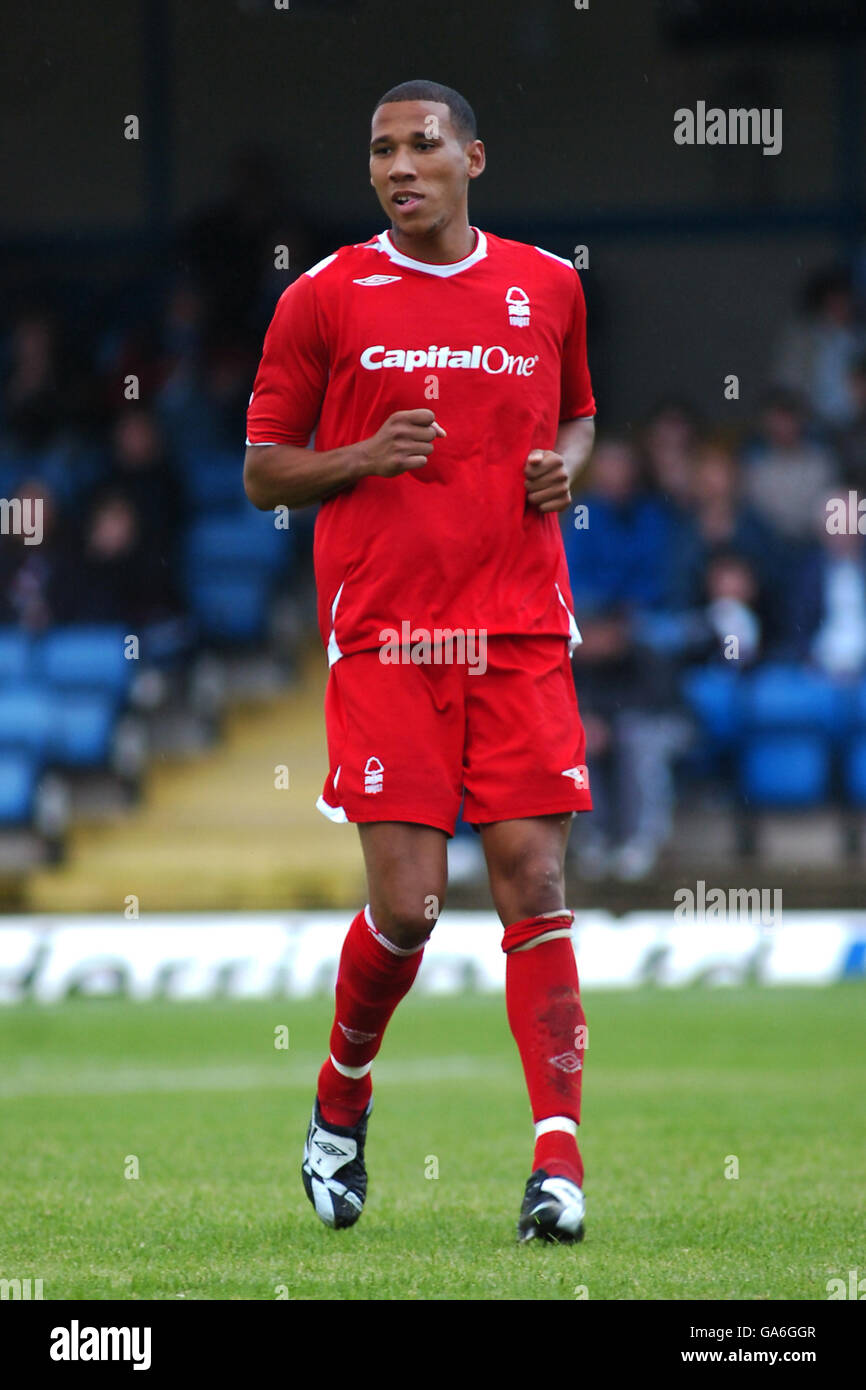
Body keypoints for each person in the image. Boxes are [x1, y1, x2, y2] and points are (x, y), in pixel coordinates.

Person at [244, 81, 596, 1244]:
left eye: (421, 145)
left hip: (518, 628)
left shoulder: (546, 285)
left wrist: (568, 467)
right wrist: (359, 455)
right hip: (389, 635)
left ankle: (558, 1166)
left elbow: (582, 414)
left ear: (472, 157)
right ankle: (340, 1098)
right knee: (407, 907)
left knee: (534, 885)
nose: (398, 165)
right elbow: (263, 471)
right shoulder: (323, 298)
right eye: (380, 150)